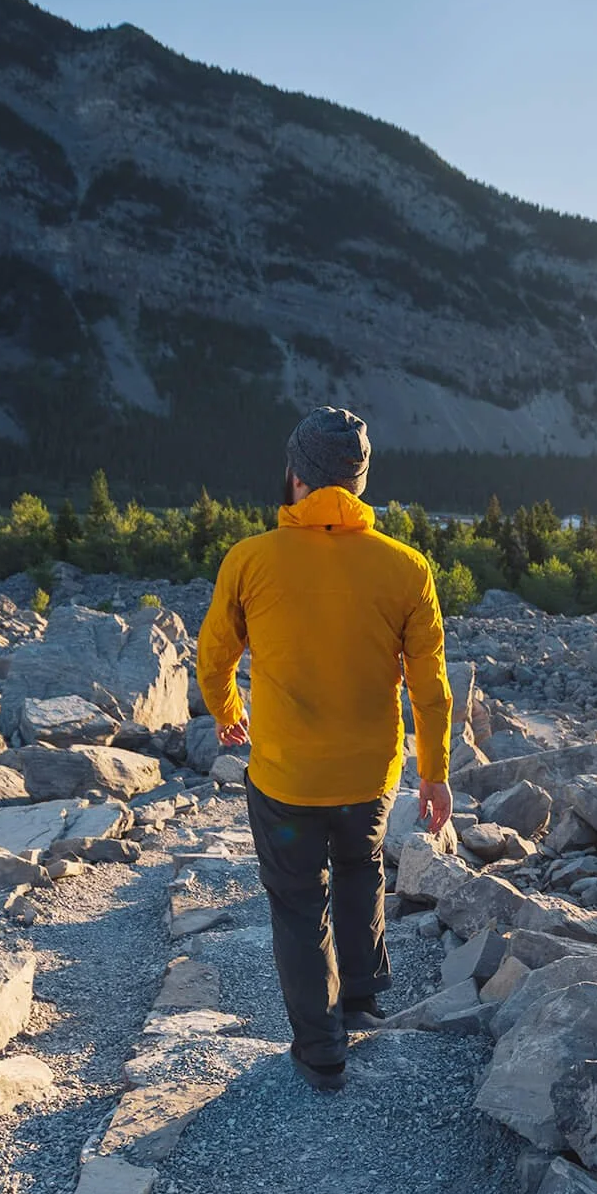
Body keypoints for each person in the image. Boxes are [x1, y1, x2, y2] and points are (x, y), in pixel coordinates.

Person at [196, 406, 454, 1092]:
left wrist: (228, 713)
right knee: (361, 866)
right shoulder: (407, 567)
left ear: (295, 474)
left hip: (286, 776)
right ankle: (362, 993)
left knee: (297, 902)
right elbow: (430, 687)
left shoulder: (250, 560)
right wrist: (435, 774)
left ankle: (322, 1051)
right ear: (359, 481)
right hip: (370, 773)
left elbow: (213, 658)